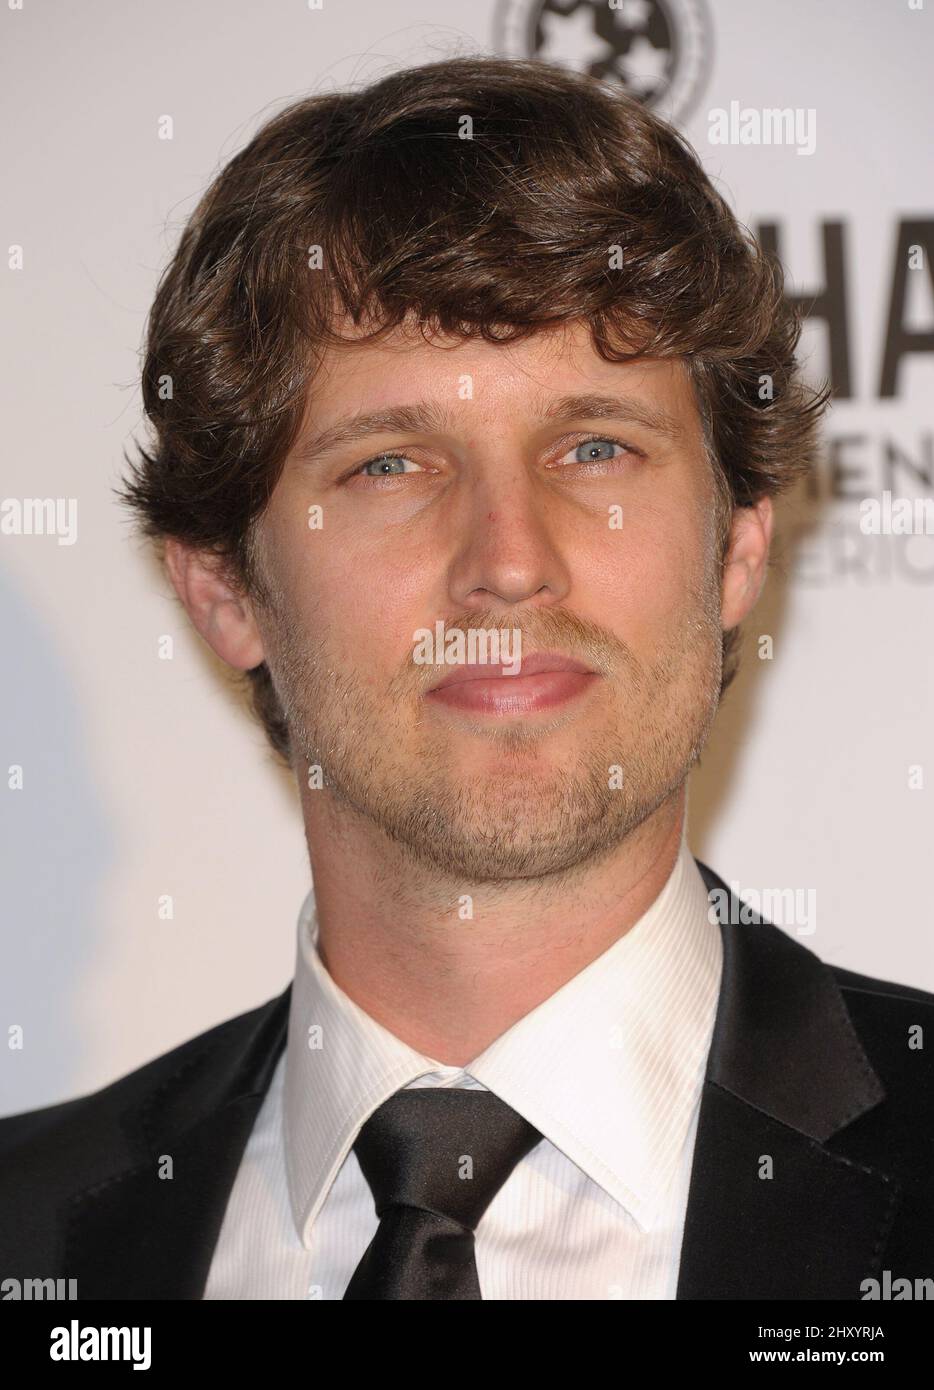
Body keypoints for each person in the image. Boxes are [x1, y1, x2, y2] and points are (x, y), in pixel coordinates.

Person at [2, 55, 931, 1302]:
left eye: (594, 446)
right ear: (224, 590)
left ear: (737, 549)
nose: (508, 563)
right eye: (391, 465)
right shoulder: (30, 1232)